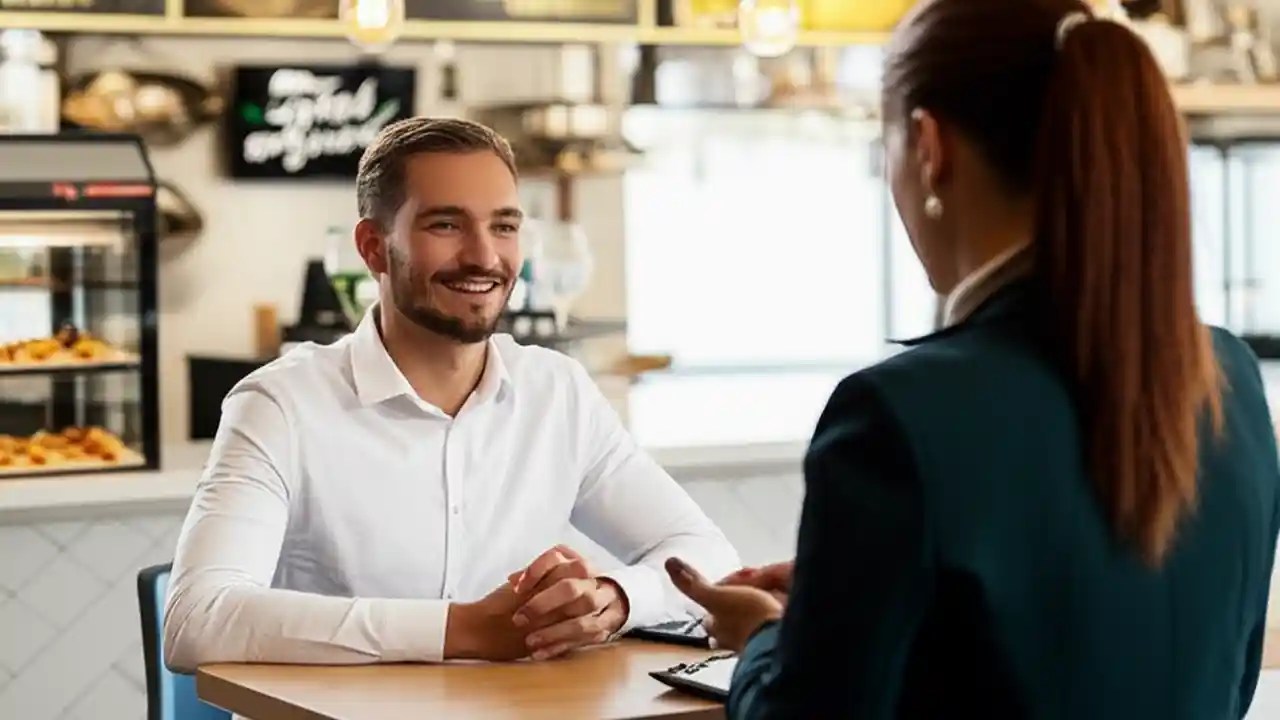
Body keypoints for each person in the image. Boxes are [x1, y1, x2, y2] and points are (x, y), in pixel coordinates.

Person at [667, 0, 1280, 717]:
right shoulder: (1230, 377)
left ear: (929, 148)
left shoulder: (899, 413)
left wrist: (764, 638)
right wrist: (854, 586)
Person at [164, 117, 740, 671]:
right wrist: (462, 629)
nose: (484, 257)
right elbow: (196, 620)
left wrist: (613, 598)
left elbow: (706, 556)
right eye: (446, 225)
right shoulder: (280, 404)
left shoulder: (556, 391)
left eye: (504, 227)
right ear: (373, 248)